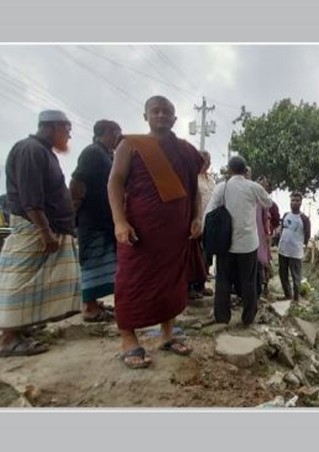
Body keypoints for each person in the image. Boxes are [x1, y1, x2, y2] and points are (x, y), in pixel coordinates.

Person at [108, 95, 204, 369]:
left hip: (176, 233)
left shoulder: (186, 150)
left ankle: (167, 335)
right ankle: (129, 340)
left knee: (171, 282)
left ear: (175, 118)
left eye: (167, 112)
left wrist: (197, 217)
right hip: (140, 230)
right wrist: (119, 221)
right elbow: (114, 182)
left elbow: (195, 190)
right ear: (146, 116)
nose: (161, 115)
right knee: (131, 281)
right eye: (156, 111)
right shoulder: (131, 144)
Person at [0, 110, 81, 357]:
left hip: (47, 227)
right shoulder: (30, 150)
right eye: (67, 130)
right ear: (54, 127)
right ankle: (8, 339)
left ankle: (21, 329)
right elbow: (31, 198)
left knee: (36, 282)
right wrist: (44, 232)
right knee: (20, 281)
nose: (69, 135)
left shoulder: (43, 152)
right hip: (35, 229)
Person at [205, 155, 273, 326]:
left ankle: (222, 317)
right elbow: (268, 203)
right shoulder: (253, 187)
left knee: (223, 281)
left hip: (225, 244)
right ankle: (248, 318)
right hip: (248, 244)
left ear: (229, 170)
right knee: (249, 282)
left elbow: (209, 211)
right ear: (245, 170)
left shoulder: (222, 187)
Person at [69, 119, 122, 323]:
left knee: (104, 264)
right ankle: (89, 307)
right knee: (91, 262)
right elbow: (77, 183)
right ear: (107, 132)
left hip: (105, 221)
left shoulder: (107, 155)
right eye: (117, 133)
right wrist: (74, 212)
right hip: (91, 220)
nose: (119, 137)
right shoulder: (92, 153)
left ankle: (95, 302)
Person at [188, 150, 216, 299]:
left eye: (208, 161)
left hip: (210, 225)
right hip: (195, 223)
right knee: (194, 257)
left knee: (206, 257)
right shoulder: (192, 178)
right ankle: (191, 287)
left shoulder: (211, 181)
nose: (206, 164)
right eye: (204, 160)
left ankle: (201, 285)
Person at [277, 192, 311, 302]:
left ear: (301, 202)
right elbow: (282, 230)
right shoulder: (286, 215)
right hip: (283, 250)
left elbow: (307, 235)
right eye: (293, 200)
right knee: (283, 274)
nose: (294, 202)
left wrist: (303, 246)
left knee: (296, 276)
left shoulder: (304, 219)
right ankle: (287, 295)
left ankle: (296, 299)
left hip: (295, 252)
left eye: (297, 200)